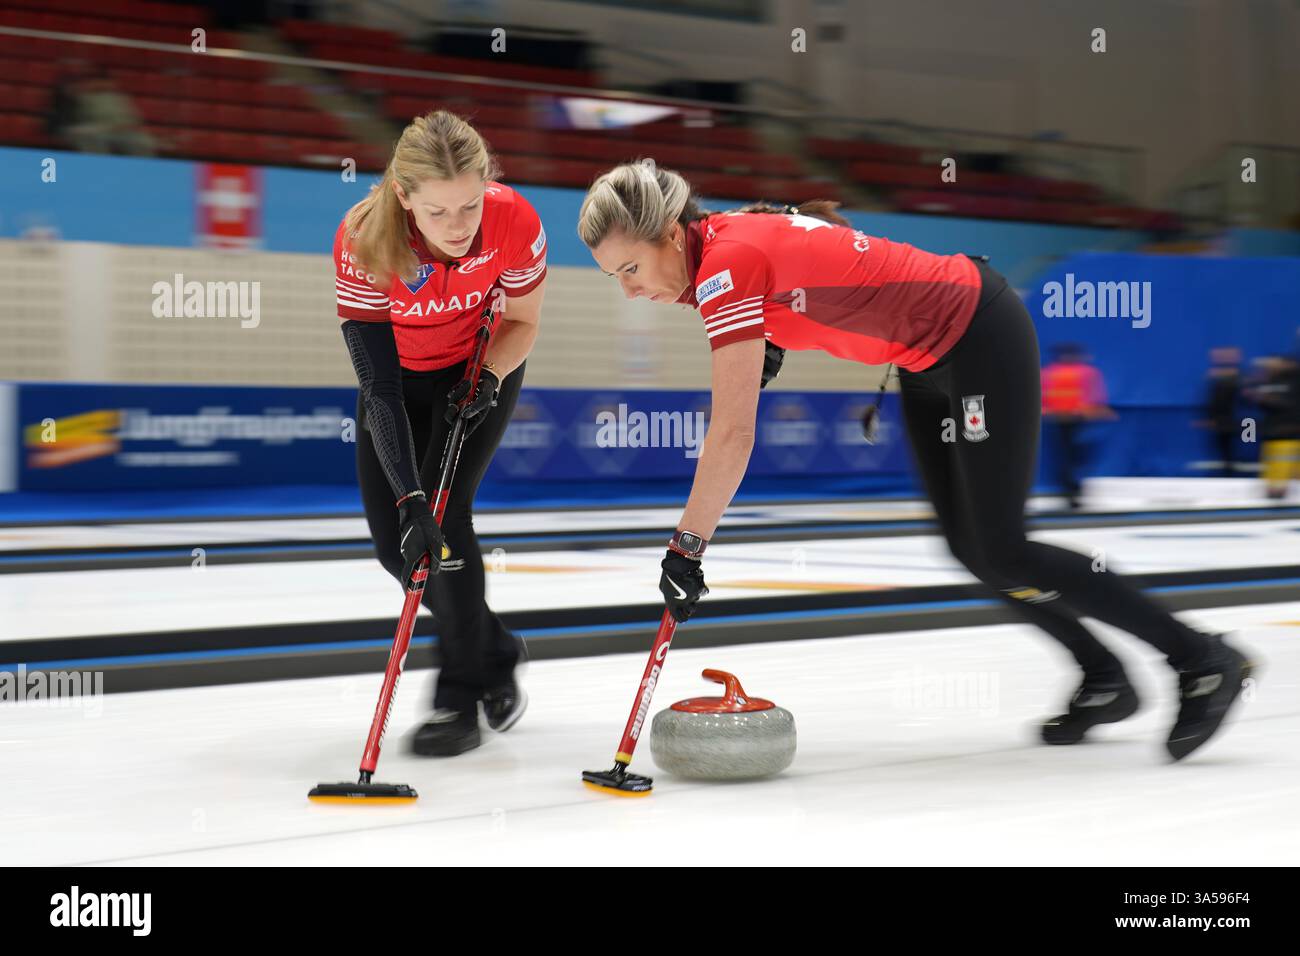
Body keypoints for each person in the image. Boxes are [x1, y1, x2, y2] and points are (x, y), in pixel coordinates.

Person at [576, 160, 1255, 761]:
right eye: (615, 279)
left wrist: (687, 547)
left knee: (1004, 547)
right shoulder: (716, 249)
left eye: (630, 269)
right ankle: (1104, 676)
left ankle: (1202, 659)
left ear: (669, 232)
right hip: (926, 363)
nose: (630, 292)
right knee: (973, 549)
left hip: (977, 333)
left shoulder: (726, 263)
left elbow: (731, 435)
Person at [336, 111, 546, 756]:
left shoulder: (515, 222)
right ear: (403, 197)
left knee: (447, 525)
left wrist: (484, 380)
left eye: (470, 205)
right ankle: (494, 647)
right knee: (399, 544)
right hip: (397, 385)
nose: (459, 227)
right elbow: (380, 389)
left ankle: (457, 697)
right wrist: (407, 498)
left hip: (479, 371)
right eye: (438, 212)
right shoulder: (361, 240)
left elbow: (522, 323)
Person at [1041, 343, 1113, 509]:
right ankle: (1071, 490)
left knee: (1068, 458)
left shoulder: (1050, 373)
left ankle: (1070, 489)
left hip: (1066, 420)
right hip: (1070, 420)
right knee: (1071, 458)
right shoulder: (1082, 373)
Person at [1199, 347, 1244, 478]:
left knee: (1231, 450)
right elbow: (1214, 401)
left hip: (1233, 421)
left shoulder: (1236, 378)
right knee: (1224, 449)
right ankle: (1228, 472)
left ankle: (1230, 472)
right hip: (1223, 422)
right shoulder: (1218, 379)